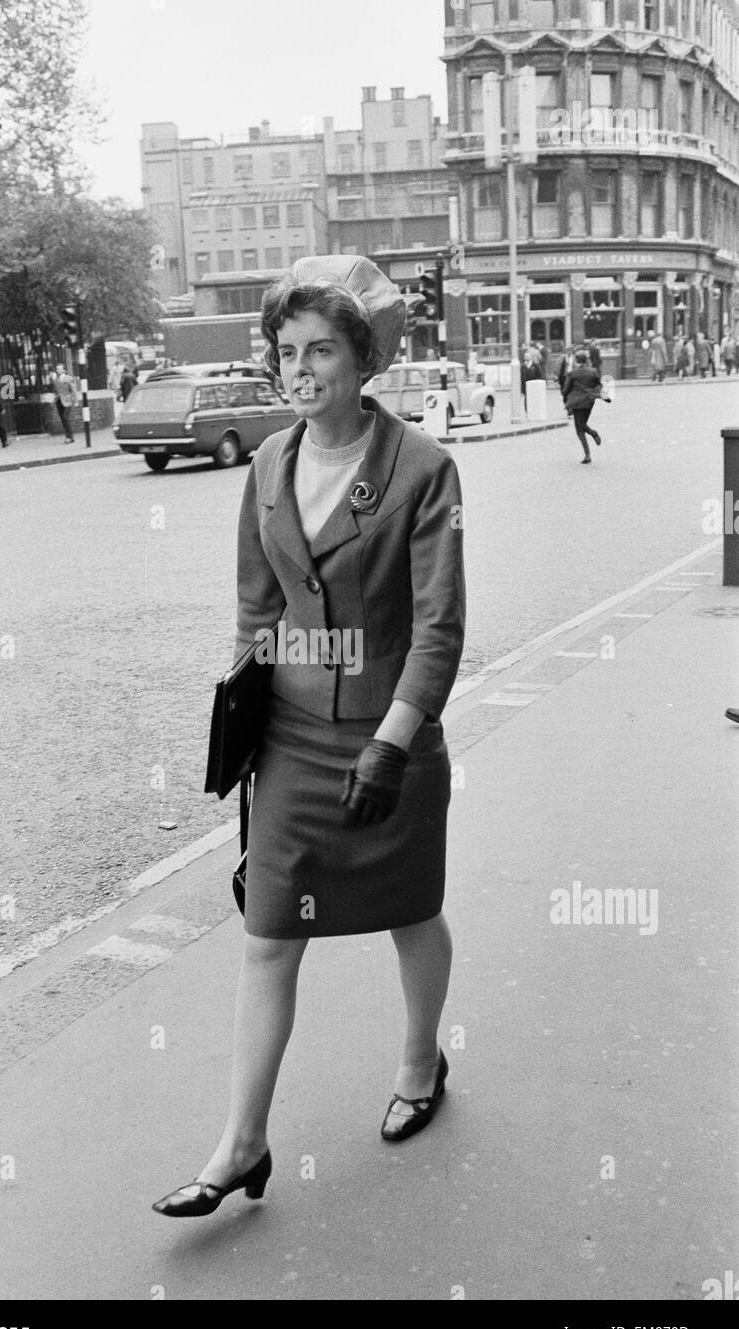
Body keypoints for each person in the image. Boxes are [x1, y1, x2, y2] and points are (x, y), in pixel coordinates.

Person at [152, 254, 466, 1218]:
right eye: (287, 351)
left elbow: (438, 627)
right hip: (289, 739)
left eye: (321, 349)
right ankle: (241, 1145)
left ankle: (420, 1062)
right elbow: (255, 607)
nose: (300, 369)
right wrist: (243, 722)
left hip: (388, 737)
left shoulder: (420, 469)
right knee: (267, 935)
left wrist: (393, 741)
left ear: (363, 356)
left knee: (409, 913)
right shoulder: (268, 464)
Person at [561, 348, 603, 465]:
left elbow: (565, 390)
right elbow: (599, 385)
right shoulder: (593, 371)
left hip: (577, 403)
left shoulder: (573, 373)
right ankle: (592, 436)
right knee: (582, 424)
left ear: (576, 360)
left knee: (579, 429)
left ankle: (588, 454)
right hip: (589, 402)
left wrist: (567, 394)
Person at [50, 364, 76, 442]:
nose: (57, 370)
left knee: (65, 418)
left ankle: (69, 436)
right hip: (59, 400)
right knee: (63, 419)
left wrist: (75, 400)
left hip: (67, 401)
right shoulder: (56, 379)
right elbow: (55, 388)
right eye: (57, 369)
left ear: (64, 370)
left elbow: (73, 390)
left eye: (59, 369)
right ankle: (69, 436)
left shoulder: (69, 378)